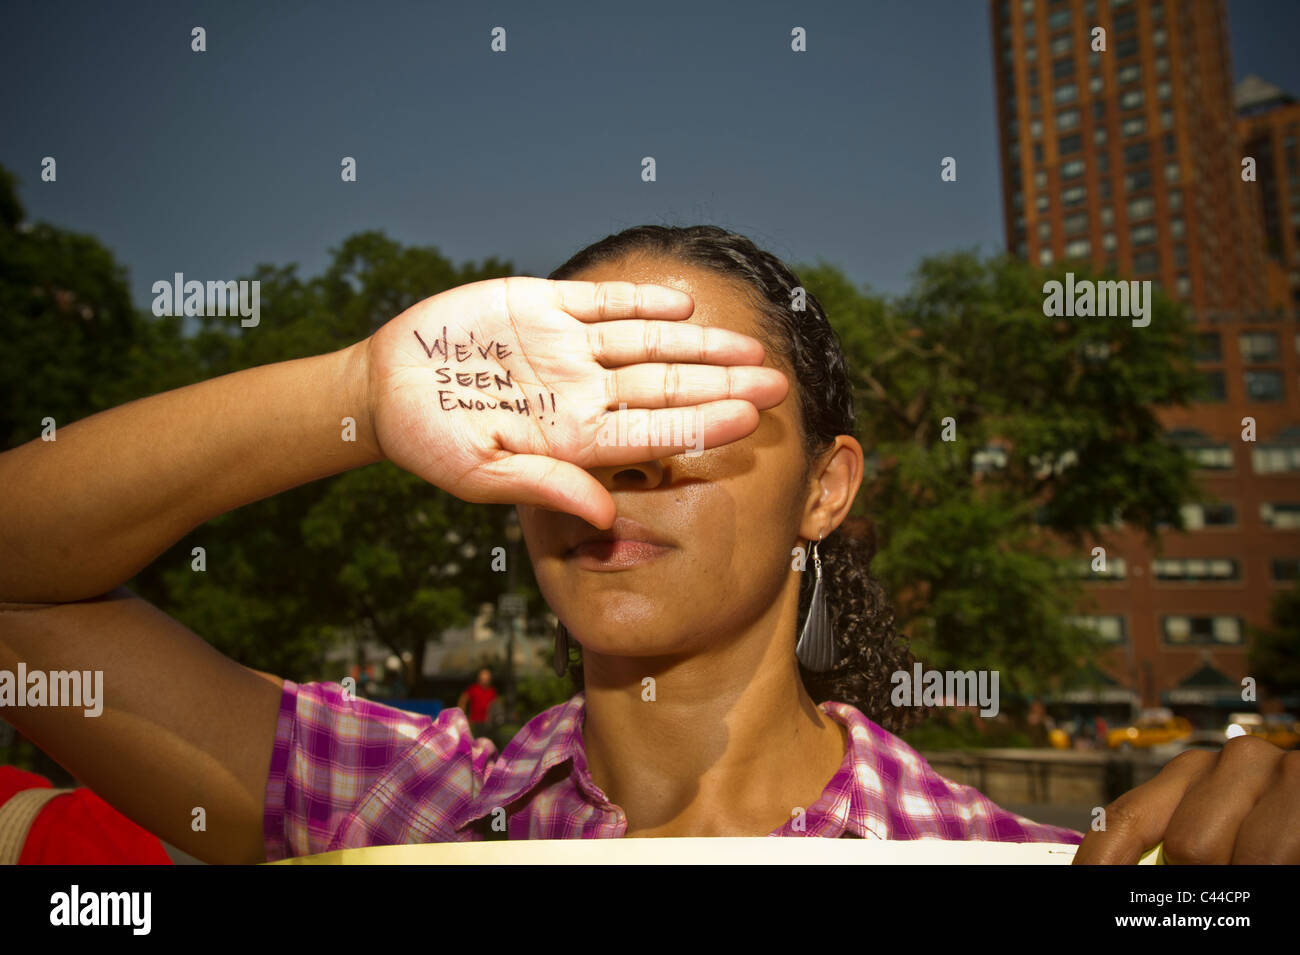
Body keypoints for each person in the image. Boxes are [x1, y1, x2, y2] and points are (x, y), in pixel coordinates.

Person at [1, 225, 1295, 864]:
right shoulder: (402, 810)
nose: (617, 457)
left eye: (690, 407)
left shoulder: (993, 863)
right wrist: (358, 390)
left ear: (826, 490)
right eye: (574, 411)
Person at [457, 668, 499, 738]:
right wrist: (462, 715)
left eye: (487, 677)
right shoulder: (473, 688)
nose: (485, 679)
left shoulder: (492, 691)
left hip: (487, 723)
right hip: (474, 722)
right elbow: (463, 700)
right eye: (483, 676)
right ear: (479, 678)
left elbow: (495, 705)